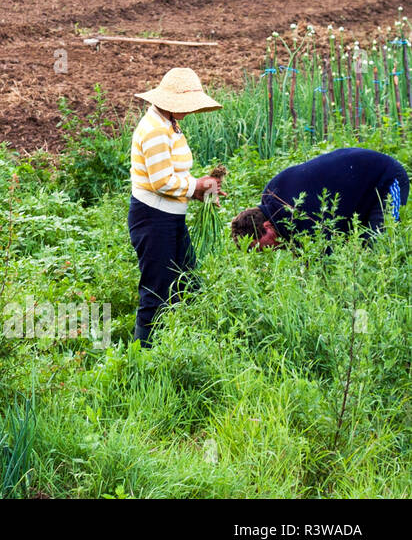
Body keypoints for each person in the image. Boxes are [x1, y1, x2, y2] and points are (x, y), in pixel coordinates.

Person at [128, 68, 226, 347]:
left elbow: (171, 175)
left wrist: (195, 191)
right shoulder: (156, 130)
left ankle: (182, 346)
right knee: (156, 290)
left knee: (187, 283)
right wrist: (197, 186)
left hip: (169, 217)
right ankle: (143, 356)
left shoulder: (168, 123)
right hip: (153, 219)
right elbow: (161, 181)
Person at [231, 148, 408, 249]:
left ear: (267, 227)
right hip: (355, 190)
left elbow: (327, 257)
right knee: (362, 245)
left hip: (384, 178)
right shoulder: (270, 195)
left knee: (380, 244)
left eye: (259, 247)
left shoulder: (303, 216)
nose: (265, 251)